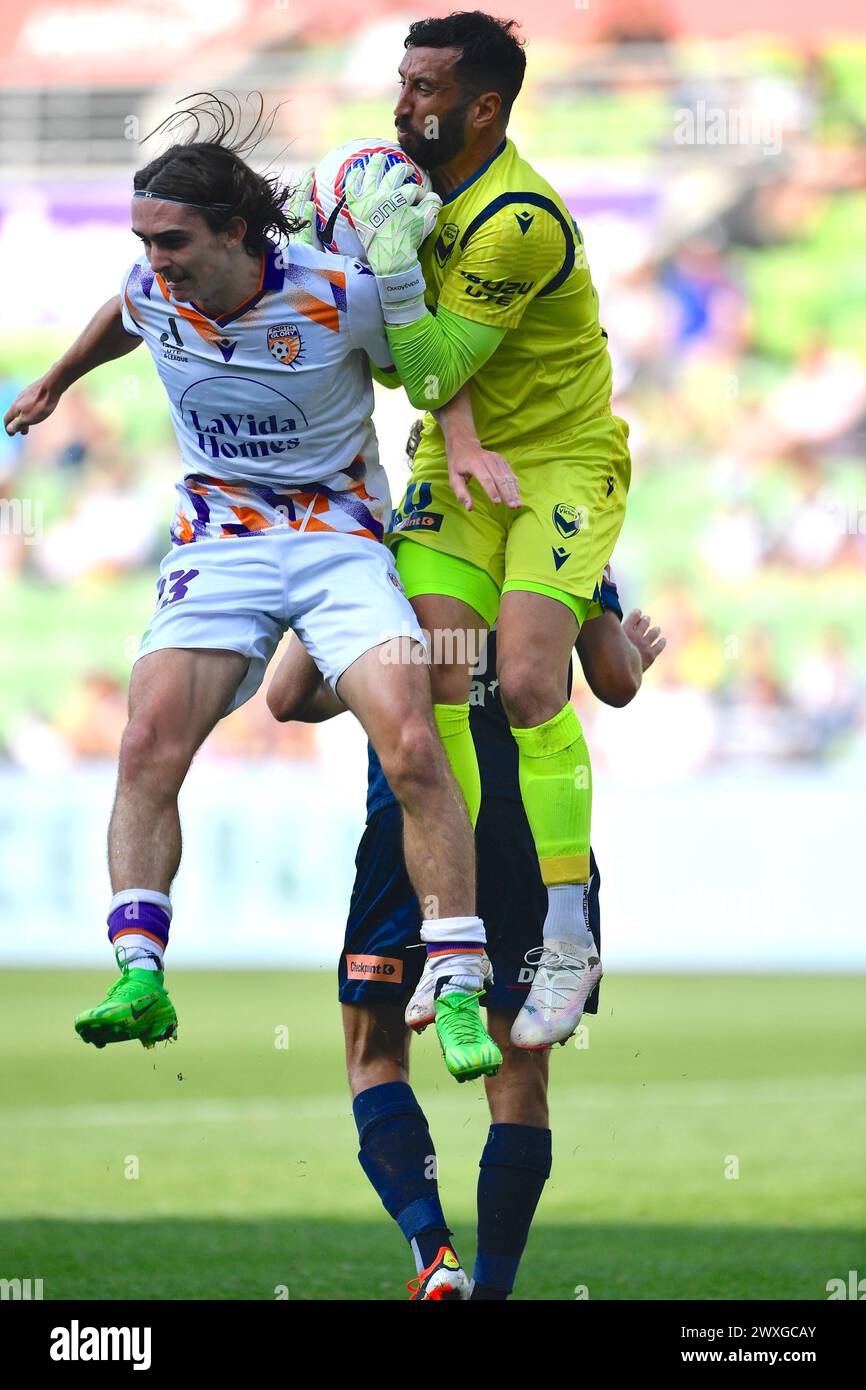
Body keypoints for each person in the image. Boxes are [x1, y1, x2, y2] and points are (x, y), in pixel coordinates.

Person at [3, 107, 503, 1083]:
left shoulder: (334, 294)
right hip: (221, 543)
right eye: (144, 240)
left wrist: (468, 438)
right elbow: (124, 311)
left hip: (338, 541)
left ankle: (453, 978)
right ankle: (139, 970)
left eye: (173, 239)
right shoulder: (156, 286)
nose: (156, 258)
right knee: (147, 739)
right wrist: (59, 378)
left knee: (410, 738)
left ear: (235, 231)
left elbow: (425, 365)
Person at [318, 11, 635, 1049]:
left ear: (482, 106)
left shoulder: (515, 218)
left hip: (555, 464)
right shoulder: (404, 189)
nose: (404, 101)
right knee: (441, 674)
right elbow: (398, 365)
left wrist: (397, 274)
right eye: (401, 80)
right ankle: (456, 946)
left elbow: (433, 366)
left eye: (424, 87)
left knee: (537, 686)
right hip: (452, 470)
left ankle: (565, 931)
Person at [269, 523, 665, 1299]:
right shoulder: (565, 520)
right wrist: (635, 655)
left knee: (374, 1048)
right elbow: (615, 681)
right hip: (530, 834)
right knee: (520, 1068)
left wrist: (390, 683)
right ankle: (492, 1290)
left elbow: (286, 695)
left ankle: (431, 1252)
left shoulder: (382, 539)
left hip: (414, 826)